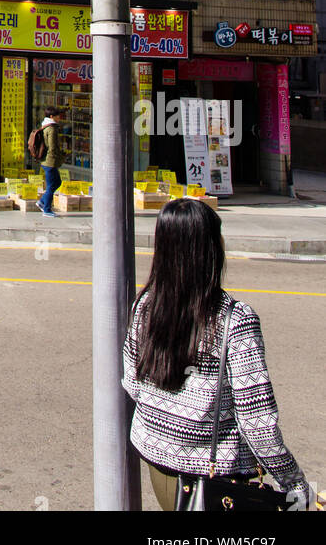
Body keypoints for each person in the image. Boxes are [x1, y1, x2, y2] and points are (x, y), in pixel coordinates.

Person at [123, 198, 311, 511]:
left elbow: (132, 382)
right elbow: (257, 423)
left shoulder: (144, 307)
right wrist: (294, 483)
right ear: (208, 250)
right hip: (214, 482)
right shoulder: (235, 321)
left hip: (159, 465)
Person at [31, 106, 63, 217]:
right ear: (51, 116)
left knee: (57, 182)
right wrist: (58, 157)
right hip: (50, 161)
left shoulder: (45, 125)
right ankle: (47, 209)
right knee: (51, 185)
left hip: (46, 160)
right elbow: (52, 146)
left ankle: (42, 201)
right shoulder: (52, 128)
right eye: (57, 115)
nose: (59, 117)